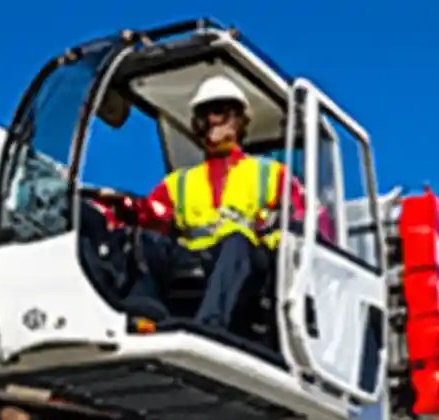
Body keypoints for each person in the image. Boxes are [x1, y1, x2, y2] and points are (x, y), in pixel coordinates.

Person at [128, 75, 308, 331]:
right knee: (145, 239)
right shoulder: (178, 183)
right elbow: (149, 219)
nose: (213, 120)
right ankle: (142, 311)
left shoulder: (271, 174)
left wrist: (271, 236)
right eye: (205, 114)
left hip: (247, 267)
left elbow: (304, 222)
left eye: (222, 112)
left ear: (240, 121)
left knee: (237, 241)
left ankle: (210, 327)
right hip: (196, 259)